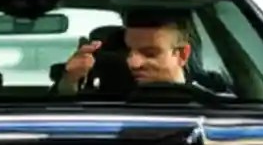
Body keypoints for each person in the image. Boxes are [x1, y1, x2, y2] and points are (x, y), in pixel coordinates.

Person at [55, 9, 195, 95]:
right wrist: (70, 80)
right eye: (128, 51)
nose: (133, 64)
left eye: (150, 53)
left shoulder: (209, 100)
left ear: (182, 54)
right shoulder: (113, 92)